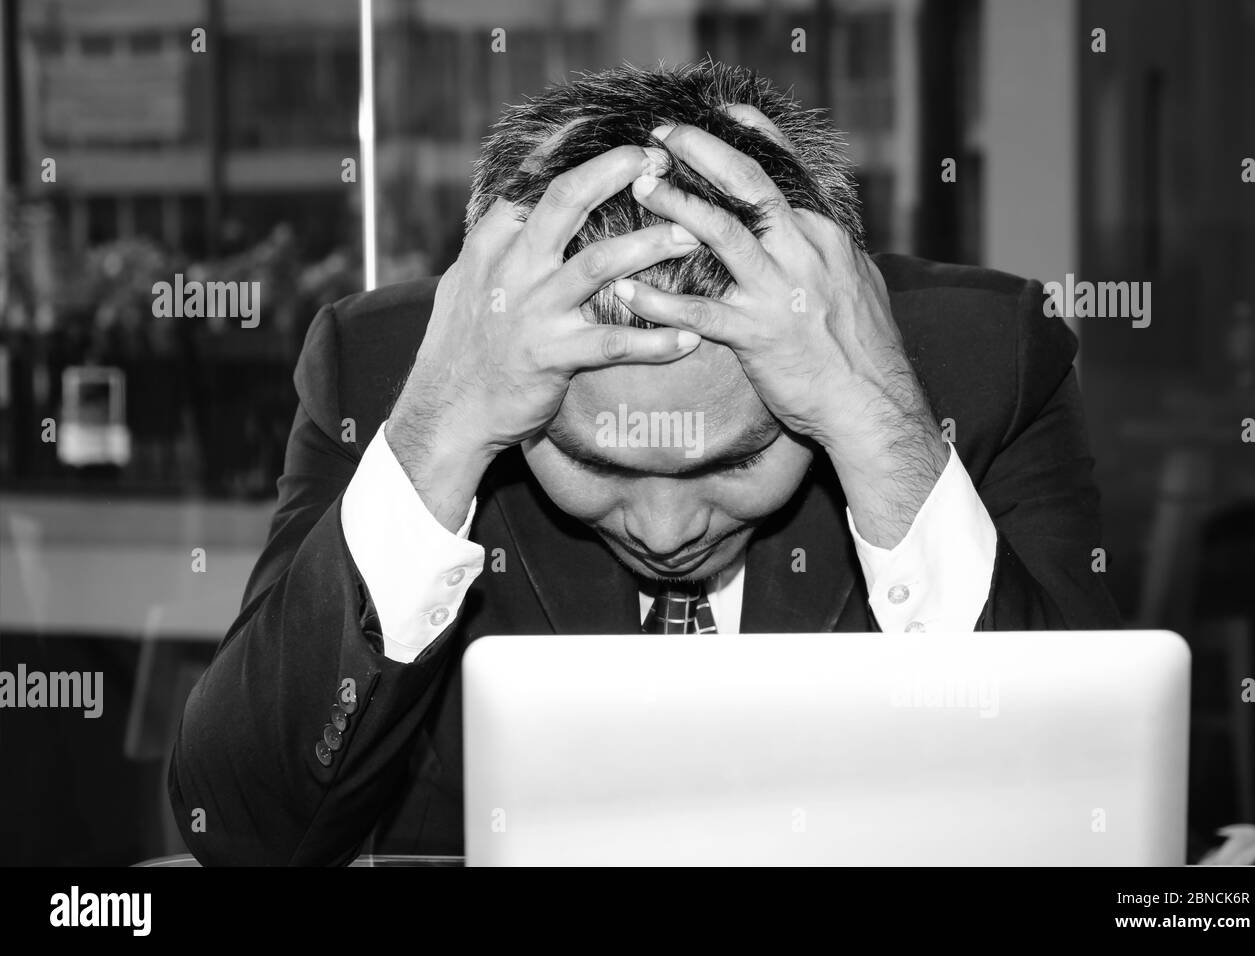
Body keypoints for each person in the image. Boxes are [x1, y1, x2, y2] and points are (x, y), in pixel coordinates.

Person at [169, 61, 1119, 865]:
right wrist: (437, 437)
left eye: (736, 459)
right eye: (602, 466)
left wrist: (884, 434)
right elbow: (245, 833)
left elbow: (1091, 828)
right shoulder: (393, 380)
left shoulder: (984, 368)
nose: (668, 531)